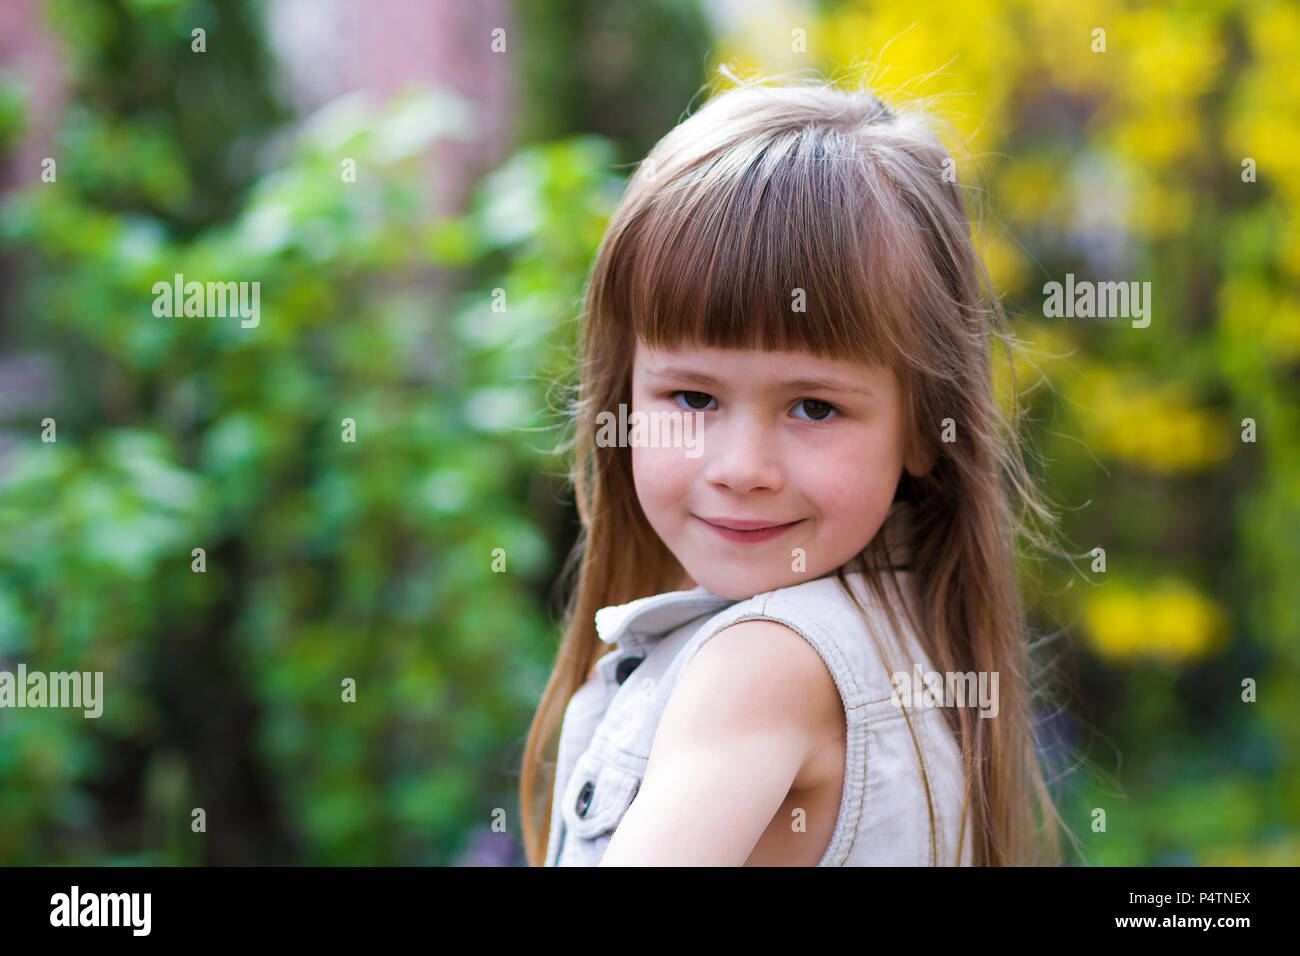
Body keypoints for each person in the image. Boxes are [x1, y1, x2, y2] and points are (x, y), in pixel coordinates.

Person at [519, 68, 1067, 866]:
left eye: (814, 408)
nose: (743, 468)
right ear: (627, 395)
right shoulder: (907, 629)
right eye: (694, 398)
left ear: (922, 426)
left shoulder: (762, 665)